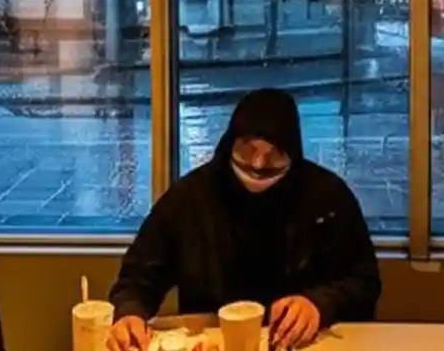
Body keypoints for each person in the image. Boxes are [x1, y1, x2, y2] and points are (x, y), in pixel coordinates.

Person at [107, 88, 381, 351]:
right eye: (248, 150)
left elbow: (364, 281)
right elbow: (138, 276)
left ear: (293, 155)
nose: (259, 165)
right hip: (213, 342)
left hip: (301, 341)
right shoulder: (189, 198)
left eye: (274, 154)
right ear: (229, 144)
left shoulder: (327, 197)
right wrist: (130, 313)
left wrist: (320, 304)